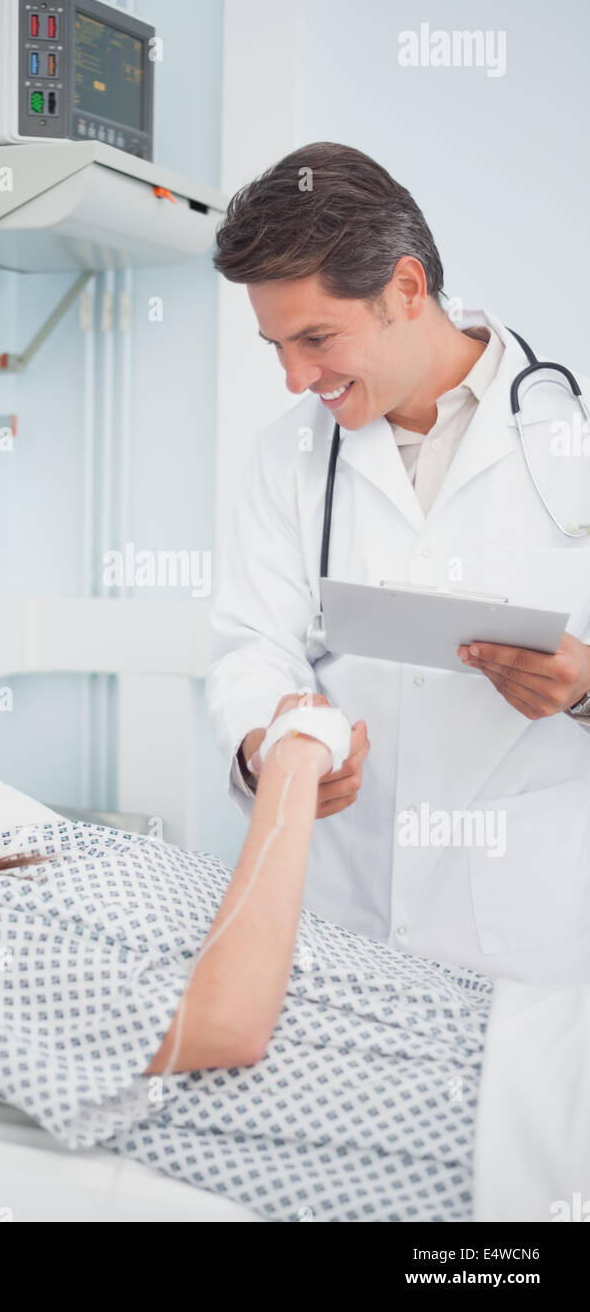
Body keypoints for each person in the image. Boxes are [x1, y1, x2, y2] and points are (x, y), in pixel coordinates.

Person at [0, 671, 494, 1223]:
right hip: (470, 1134)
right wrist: (288, 776)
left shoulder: (41, 843)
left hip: (489, 1025)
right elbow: (226, 1025)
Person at [207, 141, 590, 985]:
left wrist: (586, 691)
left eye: (315, 337)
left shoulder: (575, 440)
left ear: (406, 289)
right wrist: (264, 747)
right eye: (276, 345)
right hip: (341, 918)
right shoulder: (287, 459)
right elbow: (250, 645)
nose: (295, 377)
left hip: (532, 941)